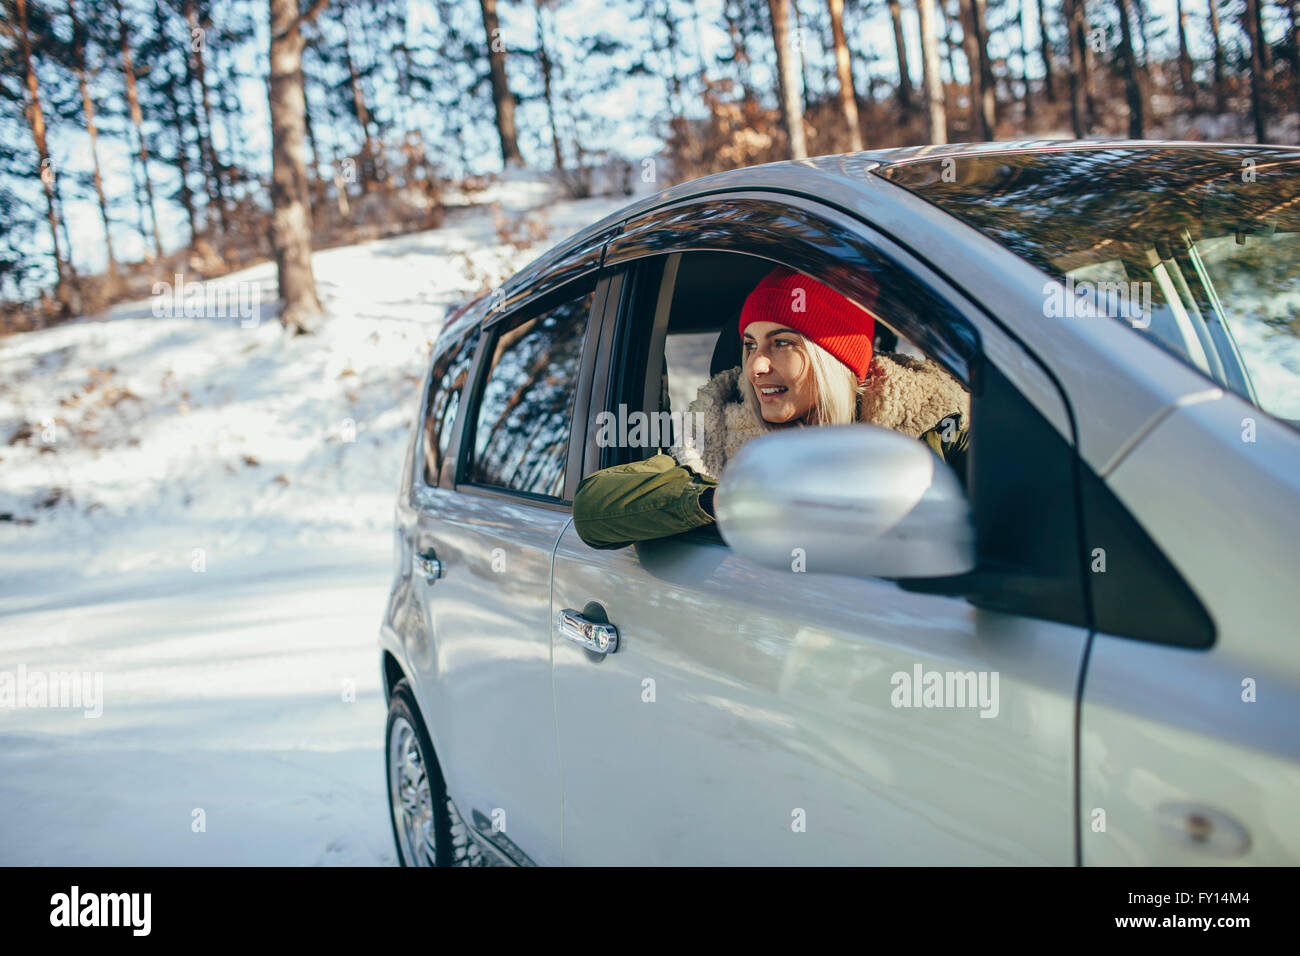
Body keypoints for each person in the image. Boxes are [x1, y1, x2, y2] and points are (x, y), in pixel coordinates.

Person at [572, 266, 970, 550]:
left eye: (782, 342)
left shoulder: (935, 428)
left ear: (836, 360)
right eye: (749, 345)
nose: (756, 366)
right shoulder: (721, 439)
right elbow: (594, 507)